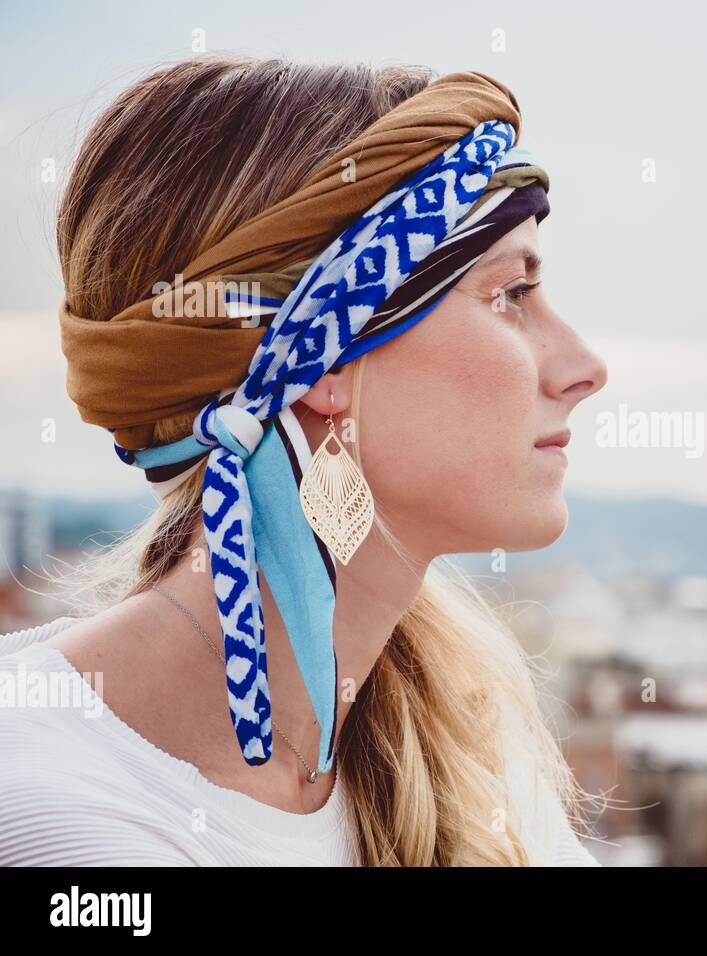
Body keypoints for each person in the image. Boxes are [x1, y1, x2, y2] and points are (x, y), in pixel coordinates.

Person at [0, 54, 608, 866]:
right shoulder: (68, 828)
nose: (584, 367)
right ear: (317, 360)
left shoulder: (462, 741)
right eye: (508, 295)